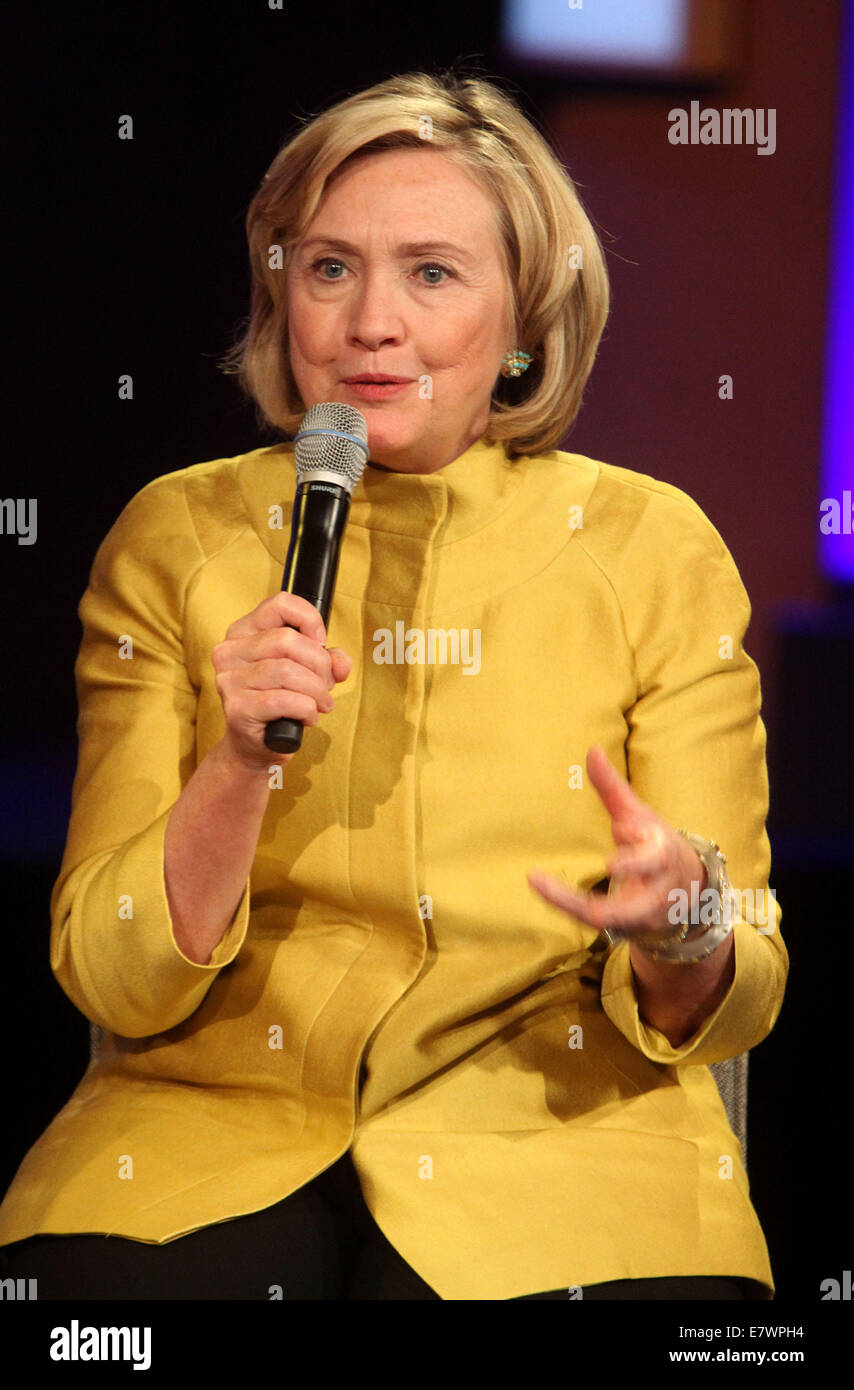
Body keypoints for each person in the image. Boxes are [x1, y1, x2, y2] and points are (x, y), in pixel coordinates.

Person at [0, 68, 786, 1300]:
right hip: (211, 1136)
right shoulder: (178, 534)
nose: (370, 321)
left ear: (521, 320)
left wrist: (679, 916)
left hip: (559, 1143)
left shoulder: (648, 547)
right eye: (327, 268)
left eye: (430, 272)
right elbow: (109, 975)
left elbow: (738, 991)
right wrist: (235, 763)